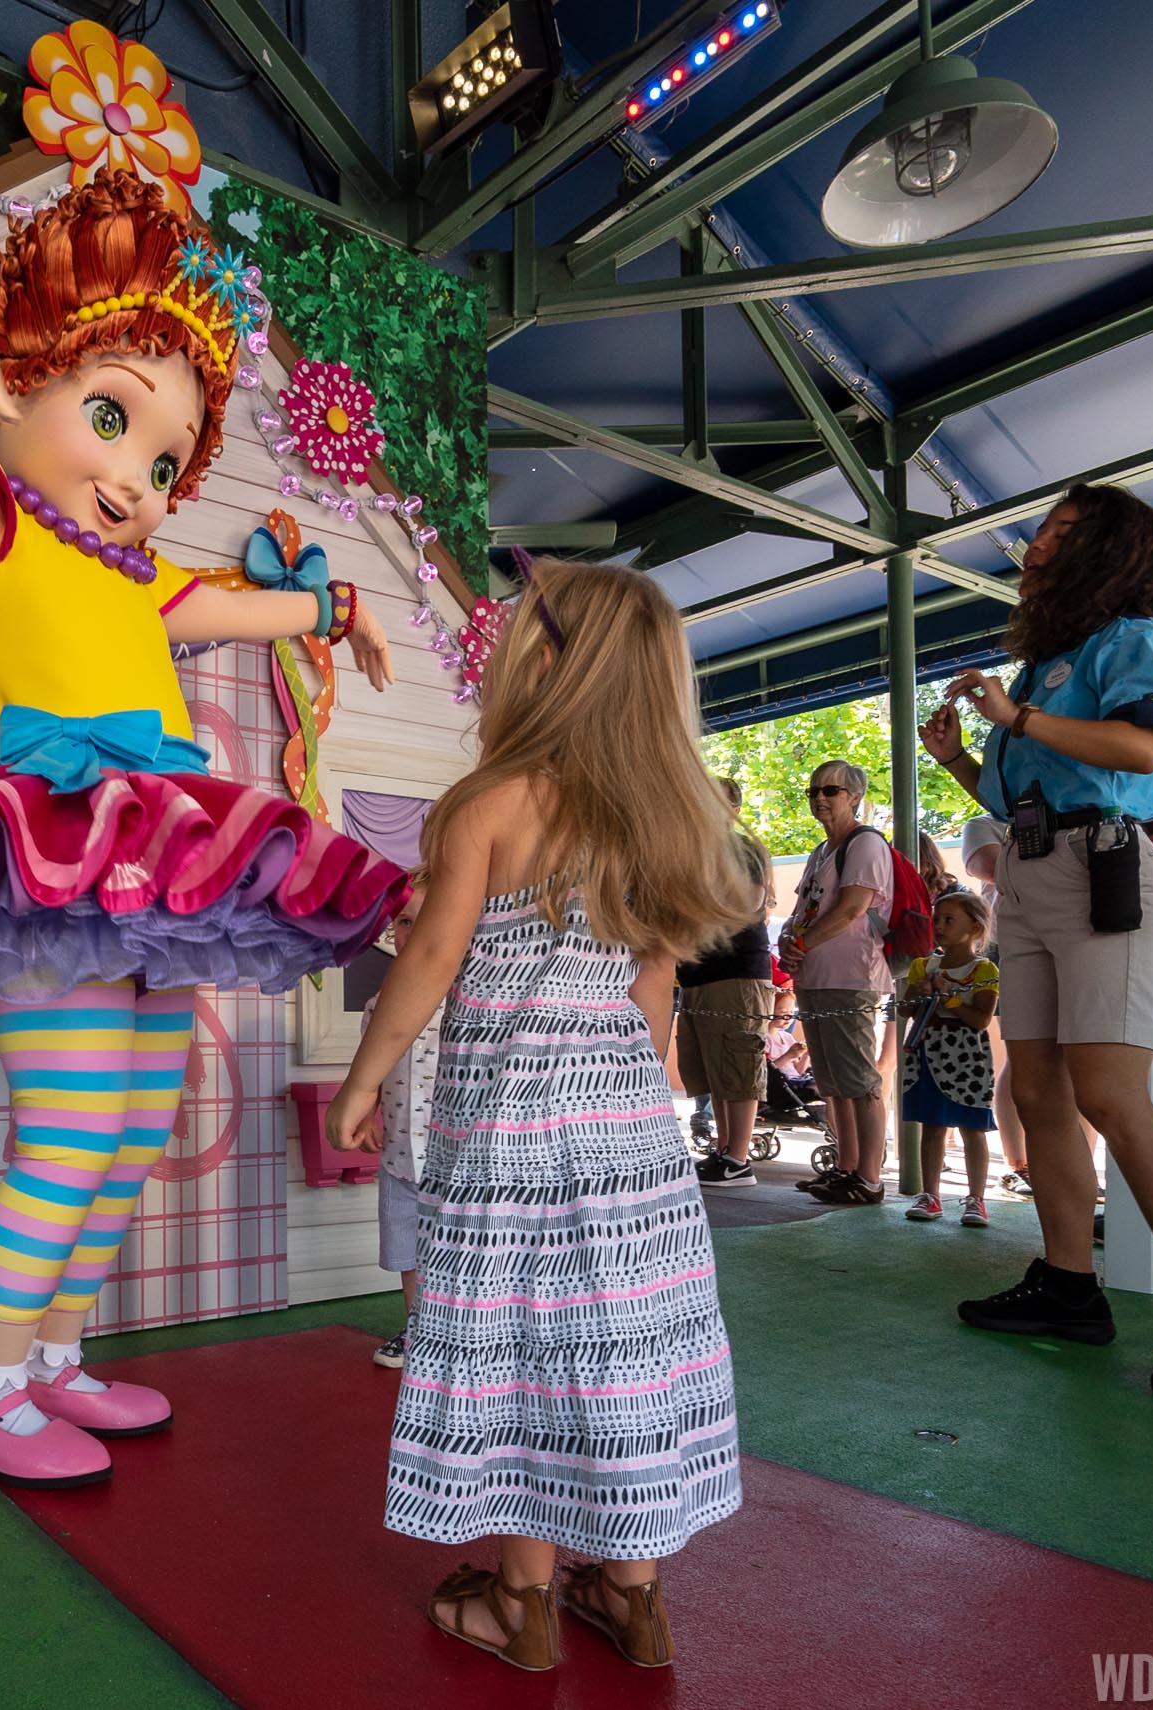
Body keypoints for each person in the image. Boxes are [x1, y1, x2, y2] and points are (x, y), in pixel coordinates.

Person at [0, 170, 411, 1487]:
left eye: (164, 461)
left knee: (126, 1133)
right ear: (17, 388)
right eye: (108, 416)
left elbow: (237, 610)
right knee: (63, 1131)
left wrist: (332, 613)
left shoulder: (141, 572)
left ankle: (51, 1361)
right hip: (48, 863)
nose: (134, 478)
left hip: (161, 871)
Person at [325, 563, 746, 1675]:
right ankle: (630, 1594)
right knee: (620, 1348)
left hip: (506, 1134)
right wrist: (630, 1115)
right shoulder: (671, 821)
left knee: (516, 1351)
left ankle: (520, 1602)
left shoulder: (492, 805)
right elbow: (652, 995)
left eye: (516, 630)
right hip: (629, 1133)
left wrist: (367, 1078)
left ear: (553, 663)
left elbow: (429, 958)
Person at [918, 481, 1153, 1403]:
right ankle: (1071, 1283)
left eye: (1062, 534)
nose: (1037, 546)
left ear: (1109, 552)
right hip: (1035, 869)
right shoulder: (1049, 661)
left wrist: (1018, 719)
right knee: (1036, 1087)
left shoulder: (1132, 639)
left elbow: (1142, 755)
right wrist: (960, 757)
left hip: (1107, 871)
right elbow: (1022, 798)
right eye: (1042, 531)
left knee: (1112, 1095)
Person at [780, 760, 895, 1206]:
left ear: (854, 797)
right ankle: (846, 1167)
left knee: (859, 1080)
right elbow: (803, 909)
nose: (820, 798)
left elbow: (850, 909)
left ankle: (869, 1177)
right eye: (813, 792)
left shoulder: (864, 843)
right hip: (814, 974)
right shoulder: (820, 851)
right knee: (831, 1080)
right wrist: (792, 941)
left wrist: (800, 944)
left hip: (850, 976)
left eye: (830, 790)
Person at [683, 778, 778, 1190]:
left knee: (739, 1065)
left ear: (734, 809)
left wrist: (693, 915)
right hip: (699, 973)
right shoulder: (691, 851)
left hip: (737, 970)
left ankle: (738, 1157)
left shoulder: (744, 849)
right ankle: (725, 1151)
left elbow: (751, 901)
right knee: (715, 1068)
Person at [360, 875, 439, 1368]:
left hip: (457, 1159)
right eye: (405, 922)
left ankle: (458, 1334)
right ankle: (417, 1332)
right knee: (406, 1247)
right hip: (399, 1154)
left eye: (428, 921)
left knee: (457, 1249)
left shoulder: (467, 1006)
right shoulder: (378, 1005)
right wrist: (367, 1110)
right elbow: (370, 1068)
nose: (413, 932)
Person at [899, 891, 1001, 1228]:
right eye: (936, 919)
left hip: (967, 1054)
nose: (939, 926)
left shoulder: (984, 969)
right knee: (933, 1125)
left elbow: (981, 1018)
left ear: (975, 928)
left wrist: (950, 998)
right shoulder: (921, 966)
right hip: (930, 1048)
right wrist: (915, 995)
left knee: (973, 1126)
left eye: (948, 920)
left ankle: (976, 1198)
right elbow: (907, 1011)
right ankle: (930, 1195)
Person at [960, 815, 1032, 1197]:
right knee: (1017, 1055)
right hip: (1006, 945)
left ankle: (1079, 1164)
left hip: (1065, 940)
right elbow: (991, 866)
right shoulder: (984, 824)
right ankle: (1019, 1163)